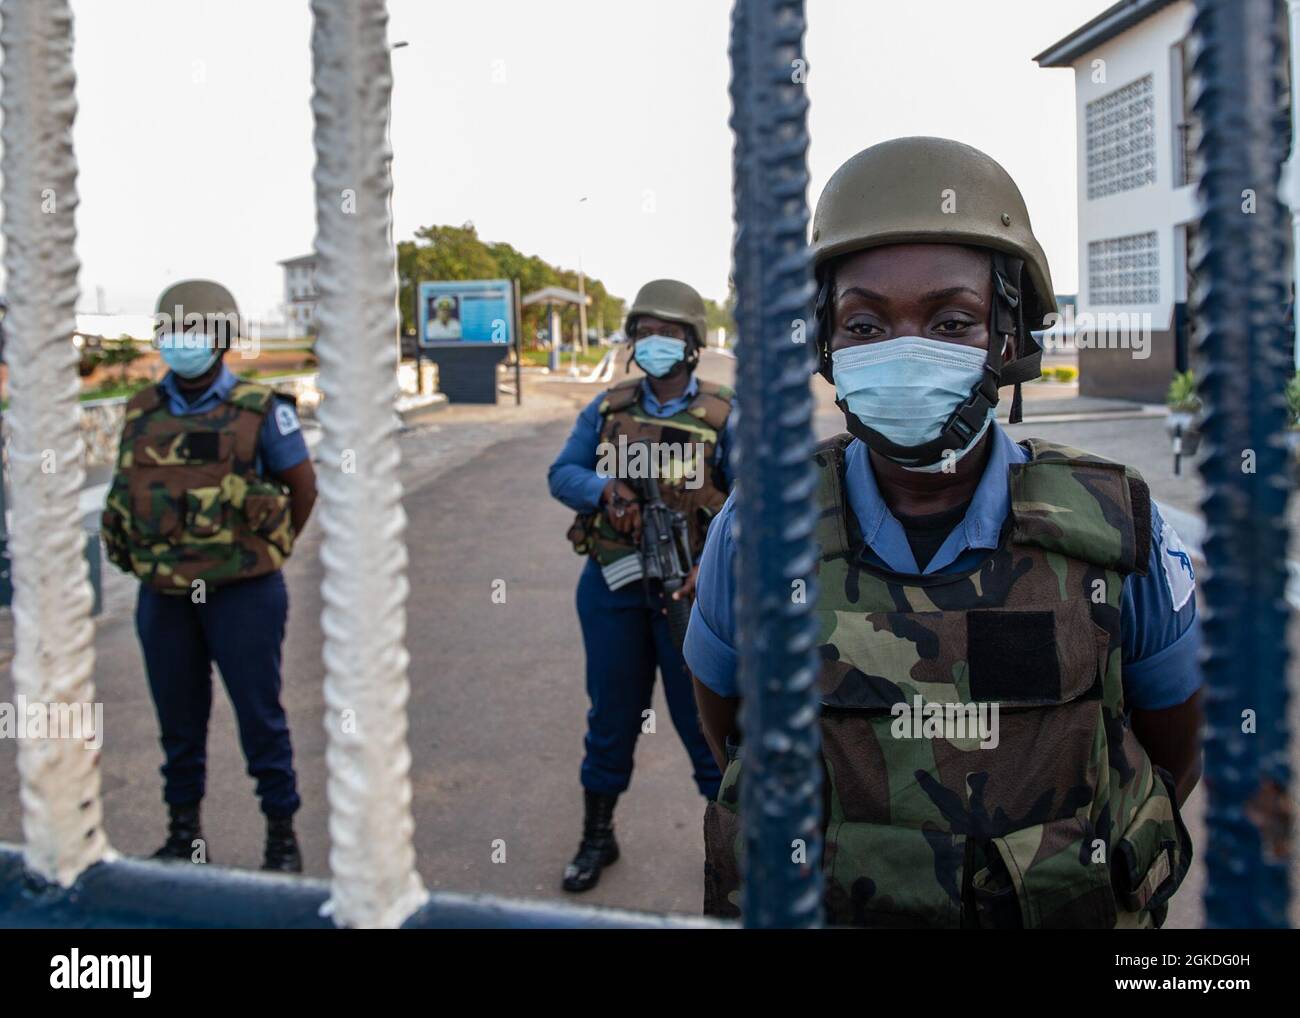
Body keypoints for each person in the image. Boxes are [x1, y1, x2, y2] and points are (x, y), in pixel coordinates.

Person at [688, 138, 1201, 928]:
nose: (903, 352)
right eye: (864, 324)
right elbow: (728, 730)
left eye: (951, 319)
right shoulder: (759, 529)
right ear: (826, 342)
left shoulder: (1114, 523)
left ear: (1007, 334)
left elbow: (1172, 749)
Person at [100, 280, 317, 873]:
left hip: (244, 595)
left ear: (221, 338)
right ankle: (183, 838)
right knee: (178, 723)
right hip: (164, 597)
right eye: (170, 331)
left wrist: (268, 553)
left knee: (260, 718)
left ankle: (280, 837)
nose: (180, 342)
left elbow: (303, 487)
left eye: (192, 331)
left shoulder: (261, 409)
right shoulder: (142, 410)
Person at [547, 278, 734, 892]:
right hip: (614, 584)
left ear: (692, 345)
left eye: (668, 334)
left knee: (706, 725)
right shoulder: (607, 408)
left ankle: (729, 849)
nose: (653, 344)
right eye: (643, 334)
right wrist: (604, 490)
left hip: (693, 592)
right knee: (612, 715)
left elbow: (756, 498)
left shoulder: (723, 415)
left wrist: (718, 561)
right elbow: (562, 471)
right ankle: (596, 837)